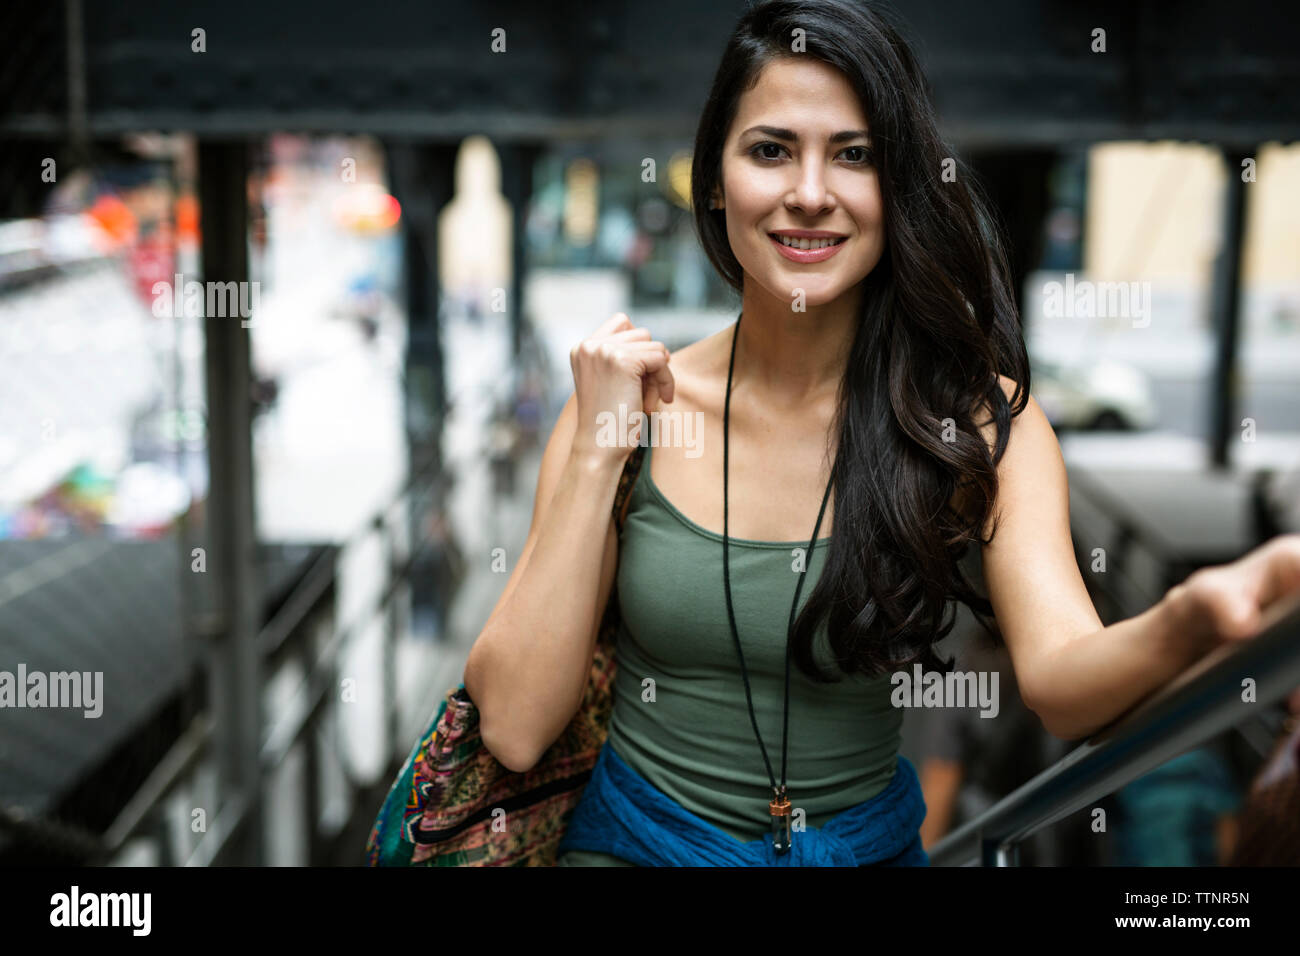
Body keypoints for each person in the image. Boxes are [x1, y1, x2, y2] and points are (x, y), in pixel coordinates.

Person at [462, 0, 1300, 867]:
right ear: (714, 179)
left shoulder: (977, 419)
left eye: (855, 156)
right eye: (771, 150)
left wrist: (1192, 617)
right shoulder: (628, 405)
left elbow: (1060, 683)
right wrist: (601, 443)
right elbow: (518, 727)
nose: (812, 193)